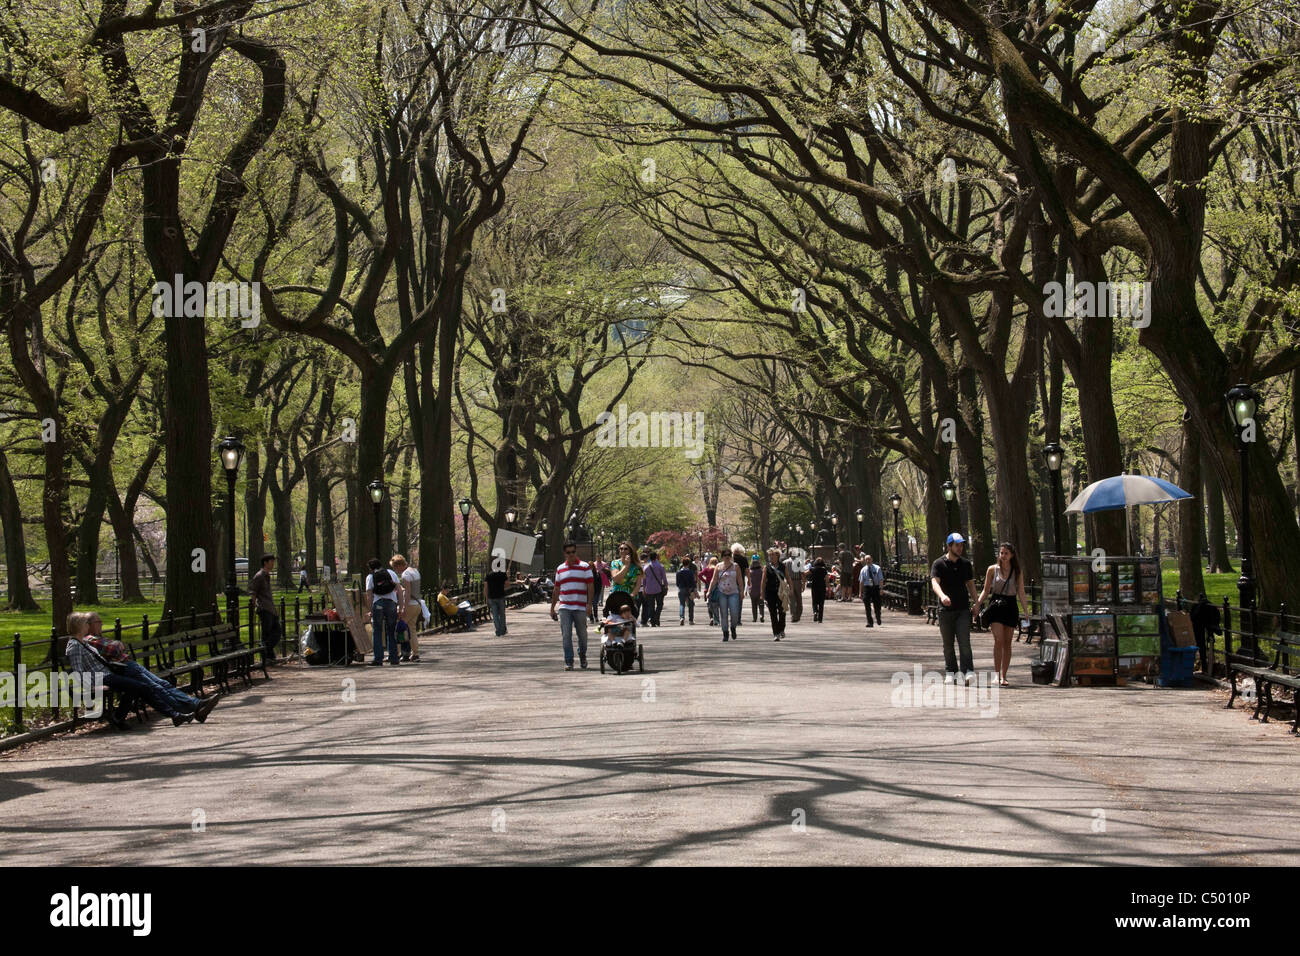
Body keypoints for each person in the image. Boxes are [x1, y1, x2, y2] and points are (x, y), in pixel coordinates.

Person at [65, 611, 218, 727]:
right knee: (152, 687)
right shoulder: (83, 642)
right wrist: (92, 685)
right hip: (111, 674)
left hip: (113, 672)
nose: (101, 624)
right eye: (97, 622)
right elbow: (109, 652)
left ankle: (187, 710)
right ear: (83, 625)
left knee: (157, 686)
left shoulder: (84, 642)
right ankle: (186, 710)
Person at [974, 542, 1028, 686]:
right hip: (996, 605)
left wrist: (1026, 611)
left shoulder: (1017, 571)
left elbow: (1021, 592)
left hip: (1011, 606)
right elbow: (986, 590)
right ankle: (996, 675)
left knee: (1008, 642)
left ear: (1012, 555)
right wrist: (978, 604)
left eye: (1006, 553)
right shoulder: (992, 570)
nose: (1003, 556)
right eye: (1001, 553)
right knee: (999, 639)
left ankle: (1004, 675)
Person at [931, 532, 978, 684]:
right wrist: (942, 596)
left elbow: (970, 584)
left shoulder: (965, 564)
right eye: (957, 545)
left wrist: (976, 602)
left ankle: (968, 671)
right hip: (945, 611)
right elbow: (934, 583)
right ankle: (951, 671)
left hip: (963, 609)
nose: (960, 548)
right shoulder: (939, 564)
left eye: (961, 545)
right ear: (949, 546)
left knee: (965, 642)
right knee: (948, 644)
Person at [550, 540, 595, 670]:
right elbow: (556, 589)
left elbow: (590, 586)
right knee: (566, 635)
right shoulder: (560, 569)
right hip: (565, 607)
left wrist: (589, 604)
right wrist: (552, 608)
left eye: (573, 552)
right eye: (568, 552)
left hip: (580, 606)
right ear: (565, 553)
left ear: (576, 552)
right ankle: (569, 661)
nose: (571, 554)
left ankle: (582, 655)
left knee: (582, 635)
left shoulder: (584, 566)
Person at [365, 557, 405, 665]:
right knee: (391, 630)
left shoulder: (370, 577)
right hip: (391, 603)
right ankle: (394, 657)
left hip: (378, 603)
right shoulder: (391, 573)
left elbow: (369, 595)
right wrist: (401, 608)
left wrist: (370, 610)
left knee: (377, 631)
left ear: (371, 569)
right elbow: (400, 591)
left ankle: (378, 658)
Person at [249, 554, 281, 663]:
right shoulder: (259, 576)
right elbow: (253, 592)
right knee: (267, 633)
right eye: (271, 561)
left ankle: (267, 652)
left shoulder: (267, 575)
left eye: (273, 561)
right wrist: (254, 606)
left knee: (276, 631)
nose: (273, 564)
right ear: (265, 563)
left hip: (271, 608)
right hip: (264, 608)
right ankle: (267, 654)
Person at [391, 554, 423, 661]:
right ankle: (415, 653)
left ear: (399, 565)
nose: (395, 571)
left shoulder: (405, 575)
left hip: (410, 605)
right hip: (417, 604)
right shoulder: (414, 571)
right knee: (412, 629)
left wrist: (403, 607)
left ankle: (399, 652)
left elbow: (408, 592)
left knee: (399, 628)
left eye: (395, 568)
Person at [707, 549, 743, 642]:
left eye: (729, 555)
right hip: (722, 592)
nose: (727, 557)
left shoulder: (736, 566)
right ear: (722, 556)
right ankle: (725, 633)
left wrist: (742, 592)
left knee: (735, 612)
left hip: (733, 592)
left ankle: (733, 627)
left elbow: (740, 580)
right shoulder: (718, 566)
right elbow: (714, 580)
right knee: (723, 613)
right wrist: (709, 591)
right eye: (725, 555)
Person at [1188, 592, 1221, 673]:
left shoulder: (1197, 608)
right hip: (1203, 622)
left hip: (1199, 623)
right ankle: (1205, 667)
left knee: (1200, 643)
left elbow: (1192, 617)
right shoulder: (1210, 608)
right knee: (1202, 643)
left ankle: (1203, 666)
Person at [761, 547, 787, 640]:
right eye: (770, 555)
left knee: (782, 611)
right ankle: (776, 633)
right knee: (773, 613)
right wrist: (762, 593)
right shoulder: (766, 567)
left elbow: (788, 578)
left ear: (778, 556)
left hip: (781, 592)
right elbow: (763, 581)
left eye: (773, 555)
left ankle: (781, 629)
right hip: (770, 592)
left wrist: (791, 589)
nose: (771, 557)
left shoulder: (783, 566)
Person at [641, 550, 669, 627]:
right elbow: (664, 578)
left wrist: (644, 589)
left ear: (649, 557)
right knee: (660, 604)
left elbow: (644, 579)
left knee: (651, 606)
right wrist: (666, 586)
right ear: (656, 557)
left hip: (649, 589)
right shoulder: (660, 566)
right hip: (658, 589)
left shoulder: (646, 567)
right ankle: (656, 618)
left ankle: (653, 621)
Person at [483, 561, 510, 637]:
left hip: (491, 597)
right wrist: (507, 576)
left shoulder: (488, 575)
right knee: (502, 614)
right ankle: (503, 629)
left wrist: (486, 598)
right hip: (500, 596)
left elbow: (486, 587)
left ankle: (498, 630)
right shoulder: (502, 574)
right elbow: (507, 585)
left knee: (495, 615)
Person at [859, 554, 884, 628]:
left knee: (877, 604)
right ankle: (870, 622)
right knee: (867, 605)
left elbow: (881, 579)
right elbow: (861, 582)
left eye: (869, 559)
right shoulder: (863, 570)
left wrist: (881, 589)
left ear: (871, 559)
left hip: (875, 587)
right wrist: (860, 592)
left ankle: (878, 617)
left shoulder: (877, 568)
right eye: (866, 559)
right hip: (867, 588)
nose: (867, 561)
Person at [676, 556, 698, 625]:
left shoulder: (678, 572)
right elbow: (693, 582)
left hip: (681, 589)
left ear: (682, 563)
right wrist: (694, 590)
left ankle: (681, 617)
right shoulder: (690, 572)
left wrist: (680, 587)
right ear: (688, 564)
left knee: (682, 604)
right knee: (691, 605)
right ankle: (691, 620)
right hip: (689, 589)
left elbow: (677, 583)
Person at [784, 551, 805, 623]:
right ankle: (798, 615)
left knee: (791, 600)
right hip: (797, 581)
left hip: (789, 582)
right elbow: (802, 573)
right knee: (799, 599)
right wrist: (804, 583)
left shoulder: (785, 562)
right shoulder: (799, 562)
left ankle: (793, 615)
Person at [808, 557, 828, 622]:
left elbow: (805, 573)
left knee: (814, 601)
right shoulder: (824, 570)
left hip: (814, 586)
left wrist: (803, 580)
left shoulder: (812, 569)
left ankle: (815, 612)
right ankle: (820, 618)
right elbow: (827, 580)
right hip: (822, 586)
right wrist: (829, 587)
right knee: (821, 603)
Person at [698, 556, 717, 626]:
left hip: (707, 586)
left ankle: (711, 618)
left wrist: (705, 581)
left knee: (709, 604)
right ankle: (716, 618)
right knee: (716, 603)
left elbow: (699, 575)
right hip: (716, 587)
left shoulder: (707, 569)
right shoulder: (717, 569)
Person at [748, 554, 765, 622]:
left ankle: (754, 618)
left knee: (753, 605)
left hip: (752, 591)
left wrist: (747, 590)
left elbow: (748, 582)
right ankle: (761, 615)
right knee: (761, 604)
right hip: (760, 590)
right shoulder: (762, 571)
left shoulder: (750, 572)